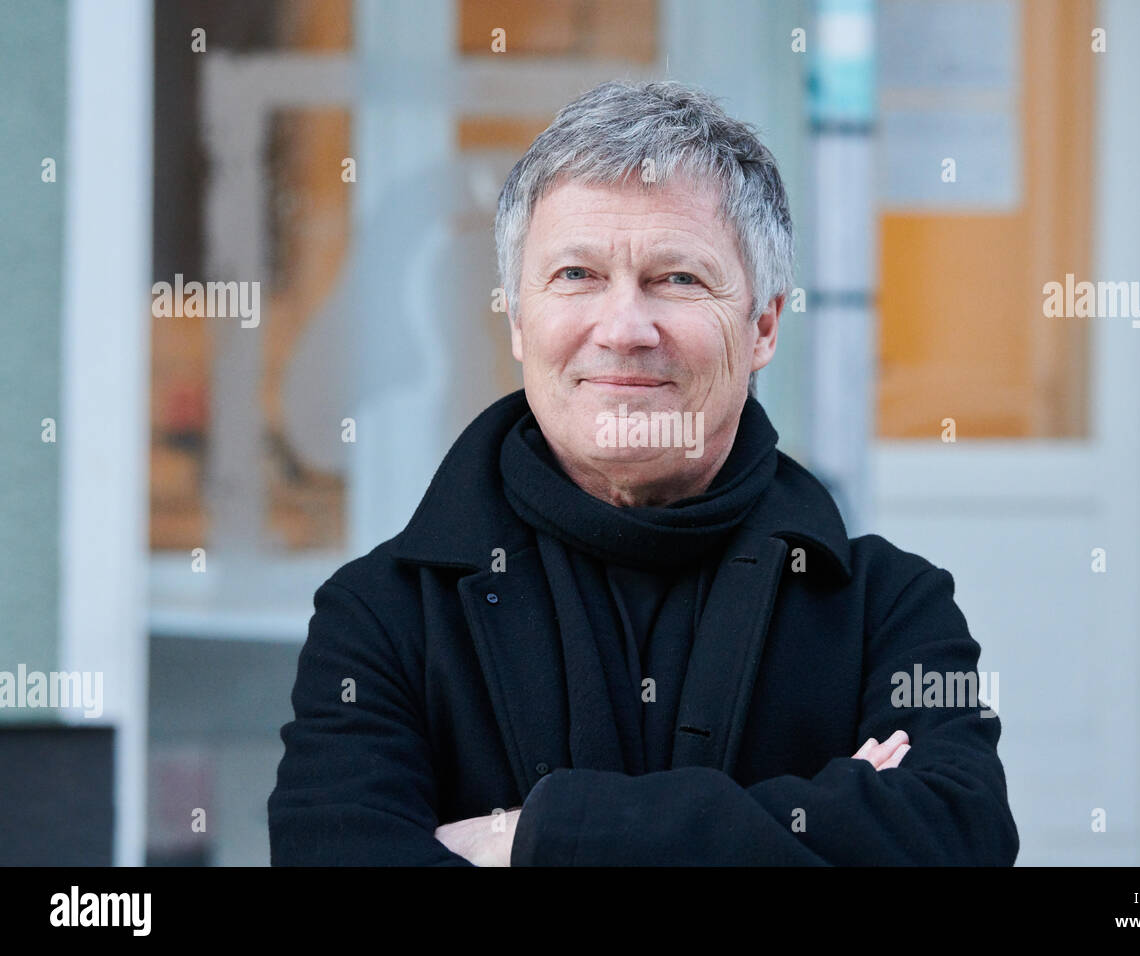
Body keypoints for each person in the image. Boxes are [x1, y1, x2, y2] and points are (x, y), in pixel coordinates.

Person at [267, 79, 1018, 866]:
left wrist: (534, 836)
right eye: (576, 276)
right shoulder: (382, 618)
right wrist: (817, 825)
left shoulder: (892, 612)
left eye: (677, 279)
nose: (624, 328)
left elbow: (954, 838)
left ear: (763, 326)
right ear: (520, 322)